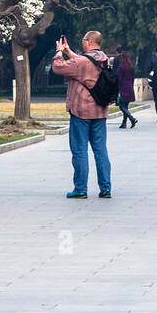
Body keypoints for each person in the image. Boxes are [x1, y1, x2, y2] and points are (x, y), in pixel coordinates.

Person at [52, 30, 115, 199]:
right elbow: (86, 61)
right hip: (100, 111)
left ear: (87, 42)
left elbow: (58, 68)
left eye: (83, 40)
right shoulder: (105, 59)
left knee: (80, 150)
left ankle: (80, 189)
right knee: (100, 150)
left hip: (81, 112)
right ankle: (106, 188)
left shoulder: (81, 62)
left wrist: (59, 52)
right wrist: (69, 52)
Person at [116, 50, 137, 128]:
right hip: (129, 87)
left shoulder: (121, 66)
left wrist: (118, 89)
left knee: (121, 106)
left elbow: (119, 78)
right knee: (125, 106)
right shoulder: (131, 66)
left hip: (123, 87)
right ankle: (124, 123)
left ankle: (132, 118)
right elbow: (133, 78)